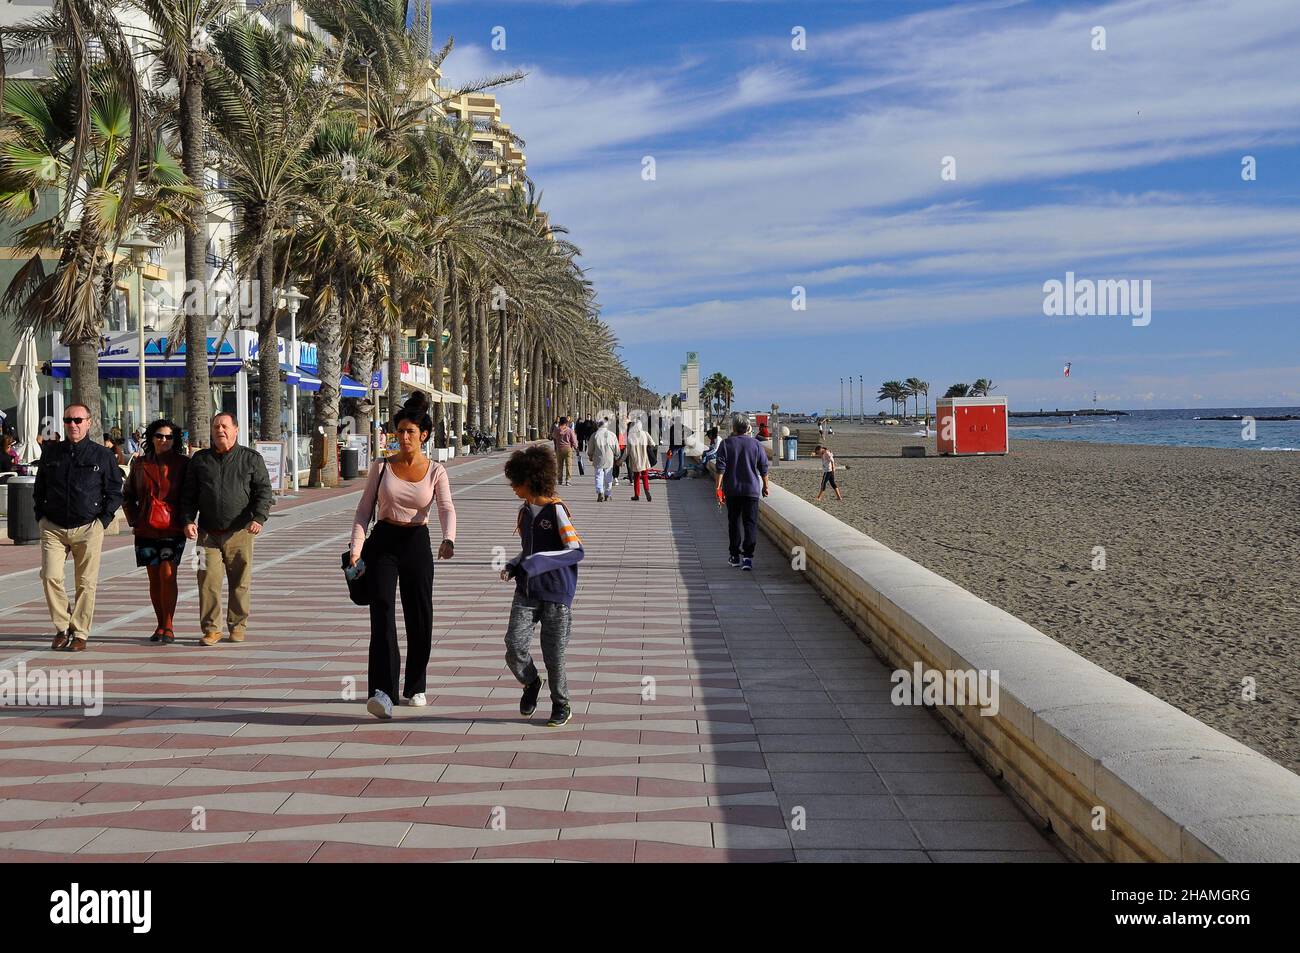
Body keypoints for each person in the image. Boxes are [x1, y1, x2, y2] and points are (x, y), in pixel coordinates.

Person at [349, 391, 457, 720]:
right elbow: (364, 509)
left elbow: (446, 507)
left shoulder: (436, 470)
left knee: (419, 614)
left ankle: (416, 684)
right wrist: (356, 548)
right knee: (381, 609)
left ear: (423, 435)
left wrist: (448, 538)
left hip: (417, 542)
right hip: (383, 540)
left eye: (410, 432)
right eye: (400, 432)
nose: (404, 437)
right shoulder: (382, 466)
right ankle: (383, 691)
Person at [500, 444, 584, 728]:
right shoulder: (524, 513)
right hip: (526, 591)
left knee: (554, 654)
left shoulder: (556, 511)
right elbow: (527, 551)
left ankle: (561, 703)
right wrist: (514, 565)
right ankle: (531, 682)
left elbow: (576, 551)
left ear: (530, 479)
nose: (512, 487)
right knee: (514, 645)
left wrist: (538, 562)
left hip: (557, 594)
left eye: (515, 482)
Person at [33, 404, 124, 651]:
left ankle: (81, 632)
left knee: (86, 582)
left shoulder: (102, 455)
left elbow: (115, 491)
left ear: (88, 422)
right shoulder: (51, 453)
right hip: (53, 526)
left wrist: (102, 521)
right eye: (68, 420)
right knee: (50, 576)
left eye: (77, 420)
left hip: (88, 526)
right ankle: (63, 627)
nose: (72, 424)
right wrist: (40, 515)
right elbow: (39, 487)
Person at [181, 413, 274, 646]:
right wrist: (187, 520)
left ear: (236, 429)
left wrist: (259, 518)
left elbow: (264, 491)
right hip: (206, 534)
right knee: (207, 580)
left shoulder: (251, 458)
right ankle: (211, 629)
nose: (219, 430)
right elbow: (188, 495)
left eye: (224, 426)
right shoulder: (200, 460)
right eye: (215, 427)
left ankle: (237, 626)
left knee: (240, 581)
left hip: (240, 531)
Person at [122, 418, 190, 644]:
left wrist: (188, 519)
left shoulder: (183, 464)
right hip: (146, 528)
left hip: (173, 527)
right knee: (154, 578)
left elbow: (191, 496)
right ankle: (159, 624)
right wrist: (134, 519)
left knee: (168, 574)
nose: (163, 440)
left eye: (169, 437)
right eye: (159, 436)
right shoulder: (140, 464)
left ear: (175, 439)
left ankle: (168, 625)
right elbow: (128, 494)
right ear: (151, 438)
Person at [714, 412, 769, 571]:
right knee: (750, 523)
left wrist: (718, 488)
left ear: (734, 427)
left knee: (734, 523)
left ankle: (734, 556)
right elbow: (763, 468)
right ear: (748, 428)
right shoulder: (756, 445)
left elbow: (720, 469)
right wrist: (766, 486)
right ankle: (748, 558)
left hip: (732, 490)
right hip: (751, 490)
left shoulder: (725, 444)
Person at [587, 417, 618, 502]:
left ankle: (600, 491)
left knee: (598, 476)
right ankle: (607, 493)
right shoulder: (612, 435)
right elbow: (616, 448)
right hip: (609, 458)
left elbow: (590, 448)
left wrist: (590, 455)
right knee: (608, 476)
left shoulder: (595, 435)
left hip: (598, 458)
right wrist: (617, 456)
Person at [624, 418, 652, 501]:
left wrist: (620, 461)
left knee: (636, 477)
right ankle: (647, 490)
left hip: (635, 460)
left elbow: (626, 452)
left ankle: (636, 495)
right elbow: (653, 443)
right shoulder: (645, 434)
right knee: (645, 476)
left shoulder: (630, 436)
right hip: (644, 459)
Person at [551, 416, 578, 485]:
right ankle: (568, 480)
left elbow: (553, 436)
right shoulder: (569, 430)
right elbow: (574, 441)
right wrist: (576, 448)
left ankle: (560, 480)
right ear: (566, 423)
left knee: (559, 465)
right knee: (569, 465)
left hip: (559, 448)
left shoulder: (557, 430)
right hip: (568, 449)